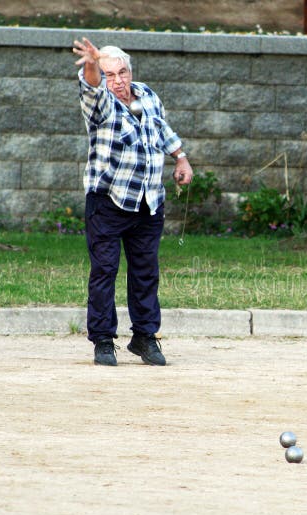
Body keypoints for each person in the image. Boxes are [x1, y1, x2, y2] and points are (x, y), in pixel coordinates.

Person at [72, 37, 192, 366]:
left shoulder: (146, 95)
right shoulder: (101, 105)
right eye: (109, 75)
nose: (117, 81)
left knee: (145, 273)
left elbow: (161, 128)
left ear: (131, 72)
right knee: (104, 271)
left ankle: (145, 337)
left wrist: (181, 158)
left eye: (122, 72)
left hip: (148, 201)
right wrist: (93, 65)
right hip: (108, 202)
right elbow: (91, 87)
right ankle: (103, 341)